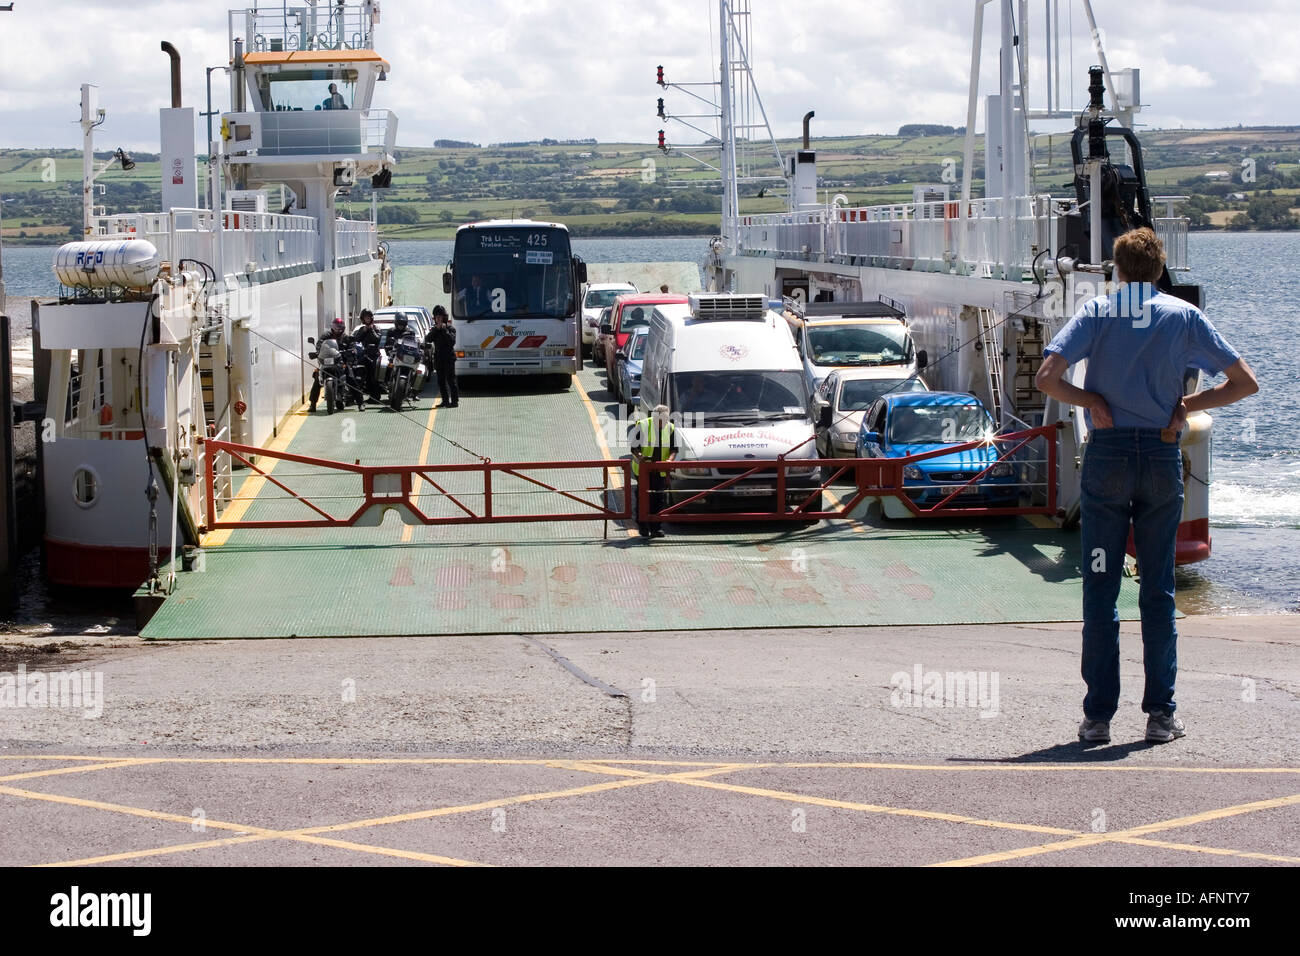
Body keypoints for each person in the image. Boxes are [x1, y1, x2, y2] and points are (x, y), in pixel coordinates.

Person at [1035, 226, 1258, 746]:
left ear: (1116, 271)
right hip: (1160, 456)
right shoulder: (1184, 316)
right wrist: (1186, 406)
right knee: (1157, 591)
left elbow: (1048, 376)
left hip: (1108, 458)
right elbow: (1244, 382)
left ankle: (1097, 718)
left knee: (1100, 588)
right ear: (1159, 271)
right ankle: (1160, 716)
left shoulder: (1097, 313)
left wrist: (1091, 402)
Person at [630, 404, 678, 539]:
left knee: (658, 498)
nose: (662, 423)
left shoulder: (671, 428)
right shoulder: (643, 425)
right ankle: (643, 526)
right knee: (643, 497)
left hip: (660, 470)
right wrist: (641, 458)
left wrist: (669, 460)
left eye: (665, 420)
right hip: (643, 470)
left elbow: (674, 449)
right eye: (660, 420)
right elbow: (634, 448)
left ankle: (656, 527)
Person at [309, 317, 350, 412]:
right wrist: (317, 352)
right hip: (326, 360)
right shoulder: (326, 335)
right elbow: (319, 344)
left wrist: (350, 351)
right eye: (336, 327)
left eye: (340, 327)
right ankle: (312, 404)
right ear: (332, 327)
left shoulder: (345, 337)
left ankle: (358, 401)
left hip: (339, 361)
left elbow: (350, 345)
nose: (338, 329)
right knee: (317, 378)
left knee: (350, 376)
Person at [426, 305, 459, 408]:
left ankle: (454, 401)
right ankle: (445, 401)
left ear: (444, 317)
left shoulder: (450, 328)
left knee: (451, 380)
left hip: (448, 357)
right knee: (440, 381)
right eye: (436, 317)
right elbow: (428, 339)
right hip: (438, 358)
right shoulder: (435, 330)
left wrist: (444, 330)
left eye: (440, 317)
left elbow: (451, 342)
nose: (438, 319)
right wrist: (436, 330)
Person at [352, 308, 383, 402]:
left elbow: (377, 339)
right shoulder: (361, 329)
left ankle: (375, 396)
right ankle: (353, 396)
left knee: (373, 377)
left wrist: (371, 330)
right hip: (364, 354)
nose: (367, 319)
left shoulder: (376, 328)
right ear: (363, 319)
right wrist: (364, 331)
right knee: (356, 372)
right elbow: (356, 339)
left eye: (369, 317)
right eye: (366, 318)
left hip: (374, 355)